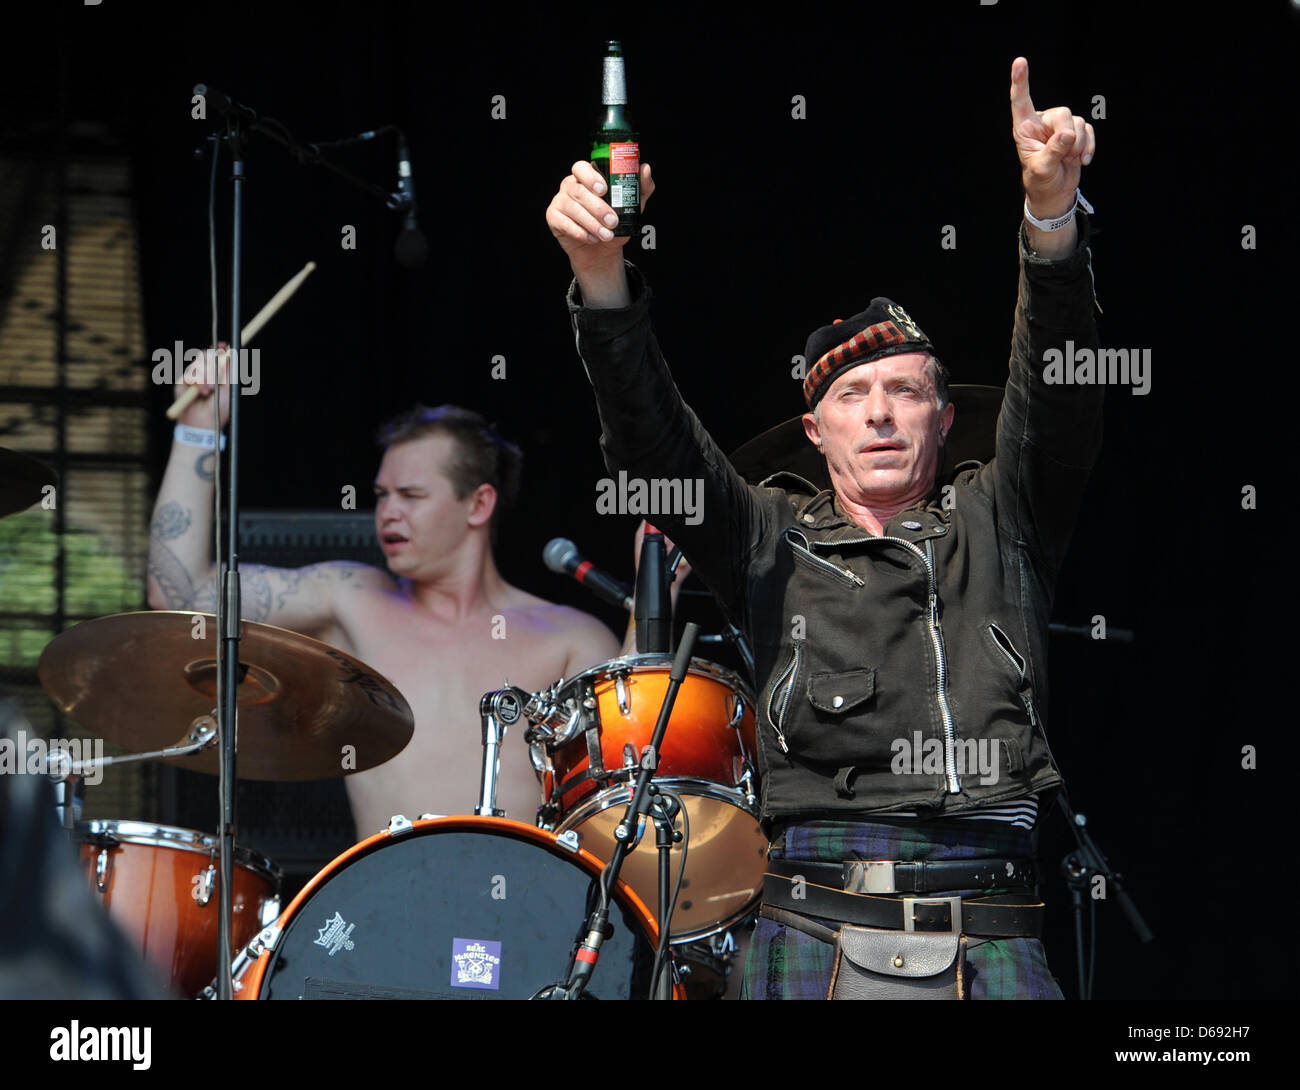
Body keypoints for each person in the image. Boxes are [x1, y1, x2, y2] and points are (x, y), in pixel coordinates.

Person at [546, 56, 1099, 999]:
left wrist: (1051, 220)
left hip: (994, 922)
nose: (880, 413)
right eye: (853, 395)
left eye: (904, 392)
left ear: (943, 416)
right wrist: (602, 277)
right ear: (815, 430)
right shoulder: (769, 536)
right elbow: (653, 449)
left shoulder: (999, 518)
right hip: (816, 917)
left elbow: (1057, 393)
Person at [147, 399, 621, 836]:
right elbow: (180, 594)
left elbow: (627, 789)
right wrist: (198, 430)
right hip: (384, 910)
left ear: (479, 504)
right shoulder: (351, 599)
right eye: (382, 494)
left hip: (528, 914)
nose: (387, 512)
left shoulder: (570, 638)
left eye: (410, 496)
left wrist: (655, 601)